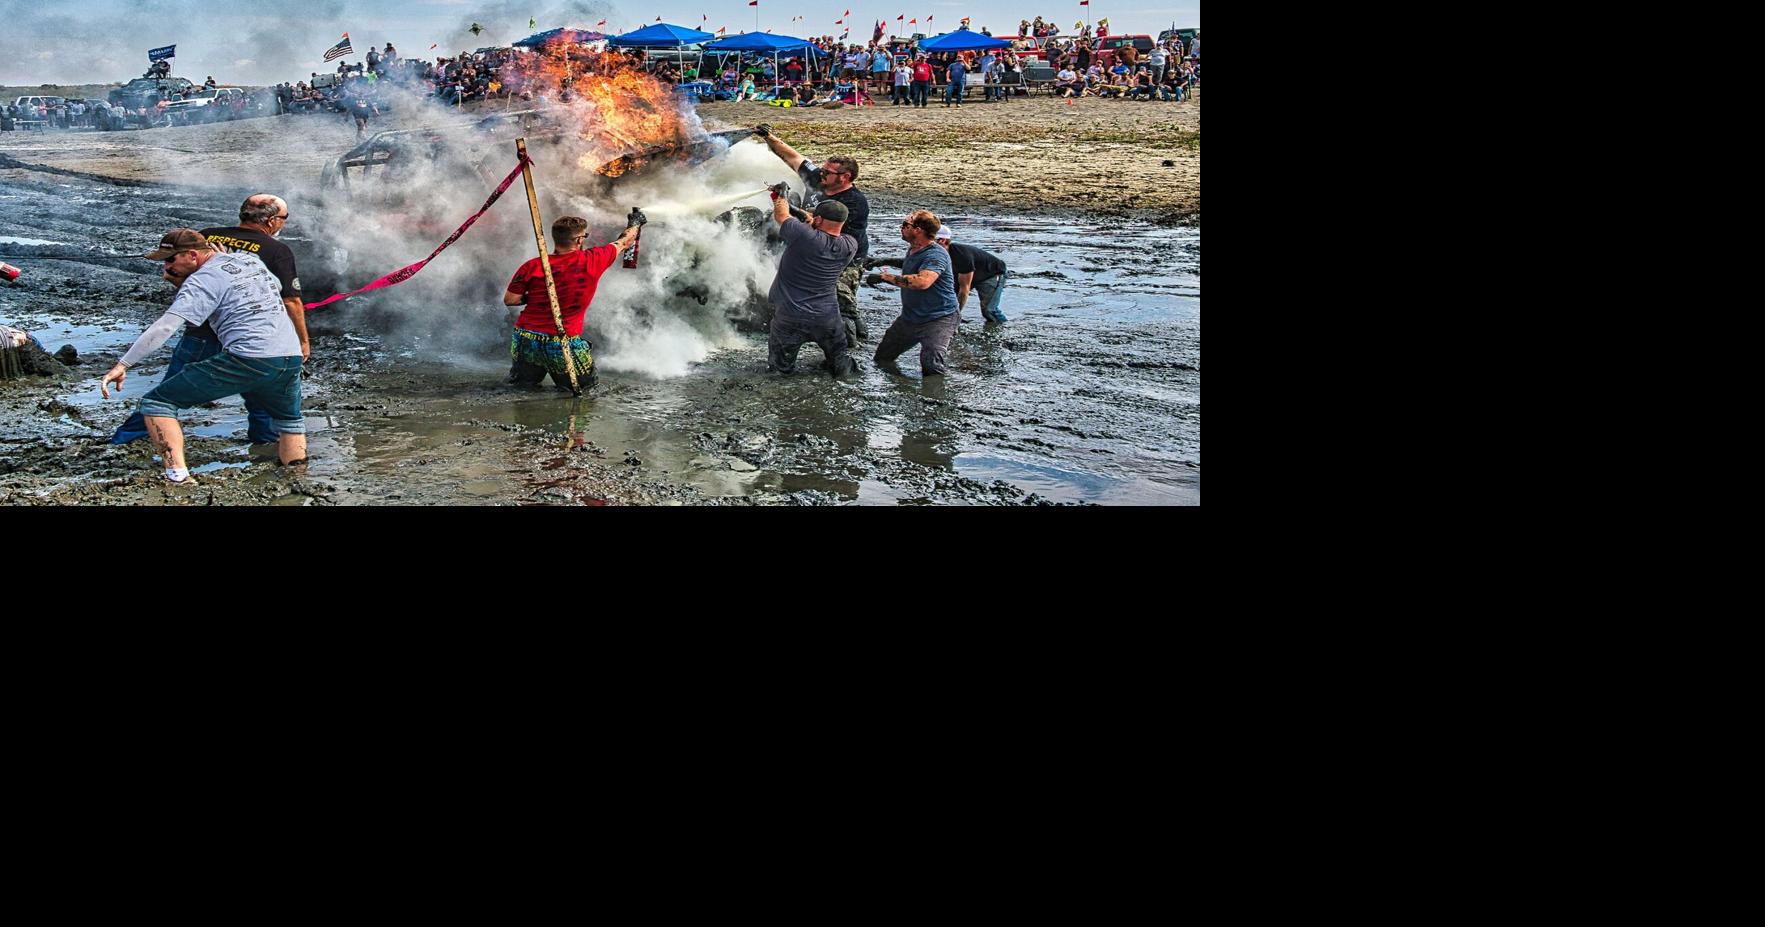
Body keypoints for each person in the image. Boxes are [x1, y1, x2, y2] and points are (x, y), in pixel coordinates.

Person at [100, 230, 308, 482]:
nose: (166, 267)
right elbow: (274, 285)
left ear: (192, 255)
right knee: (289, 422)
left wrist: (123, 364)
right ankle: (297, 481)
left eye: (170, 260)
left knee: (156, 404)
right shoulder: (249, 259)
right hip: (290, 356)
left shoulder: (202, 280)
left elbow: (165, 327)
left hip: (248, 358)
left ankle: (177, 477)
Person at [756, 124, 872, 344]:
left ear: (845, 177)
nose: (821, 173)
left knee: (839, 301)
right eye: (822, 169)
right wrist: (769, 137)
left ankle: (850, 345)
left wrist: (790, 208)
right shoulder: (818, 177)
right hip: (813, 247)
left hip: (843, 258)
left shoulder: (854, 203)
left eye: (828, 172)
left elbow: (827, 233)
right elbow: (792, 157)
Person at [502, 214, 642, 390]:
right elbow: (624, 241)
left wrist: (537, 296)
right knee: (586, 389)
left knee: (521, 387)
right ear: (578, 240)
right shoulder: (593, 259)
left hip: (525, 338)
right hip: (561, 342)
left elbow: (511, 299)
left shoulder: (533, 265)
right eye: (585, 236)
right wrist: (635, 223)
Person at [766, 194, 859, 377]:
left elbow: (781, 216)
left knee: (780, 370)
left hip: (790, 316)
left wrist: (780, 198)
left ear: (818, 219)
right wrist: (804, 215)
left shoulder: (803, 236)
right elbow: (815, 227)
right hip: (827, 318)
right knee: (840, 363)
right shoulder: (850, 244)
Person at [865, 210, 959, 377]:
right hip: (910, 318)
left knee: (931, 365)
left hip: (938, 318)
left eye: (905, 225)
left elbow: (922, 281)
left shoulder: (936, 254)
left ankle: (935, 399)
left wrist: (885, 277)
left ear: (918, 230)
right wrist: (885, 261)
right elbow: (911, 264)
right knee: (882, 358)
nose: (901, 228)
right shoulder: (915, 248)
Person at [937, 226, 1009, 324]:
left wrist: (955, 315)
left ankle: (1003, 328)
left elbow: (964, 290)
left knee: (989, 310)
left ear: (942, 241)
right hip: (971, 273)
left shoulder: (961, 256)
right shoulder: (936, 255)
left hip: (992, 273)